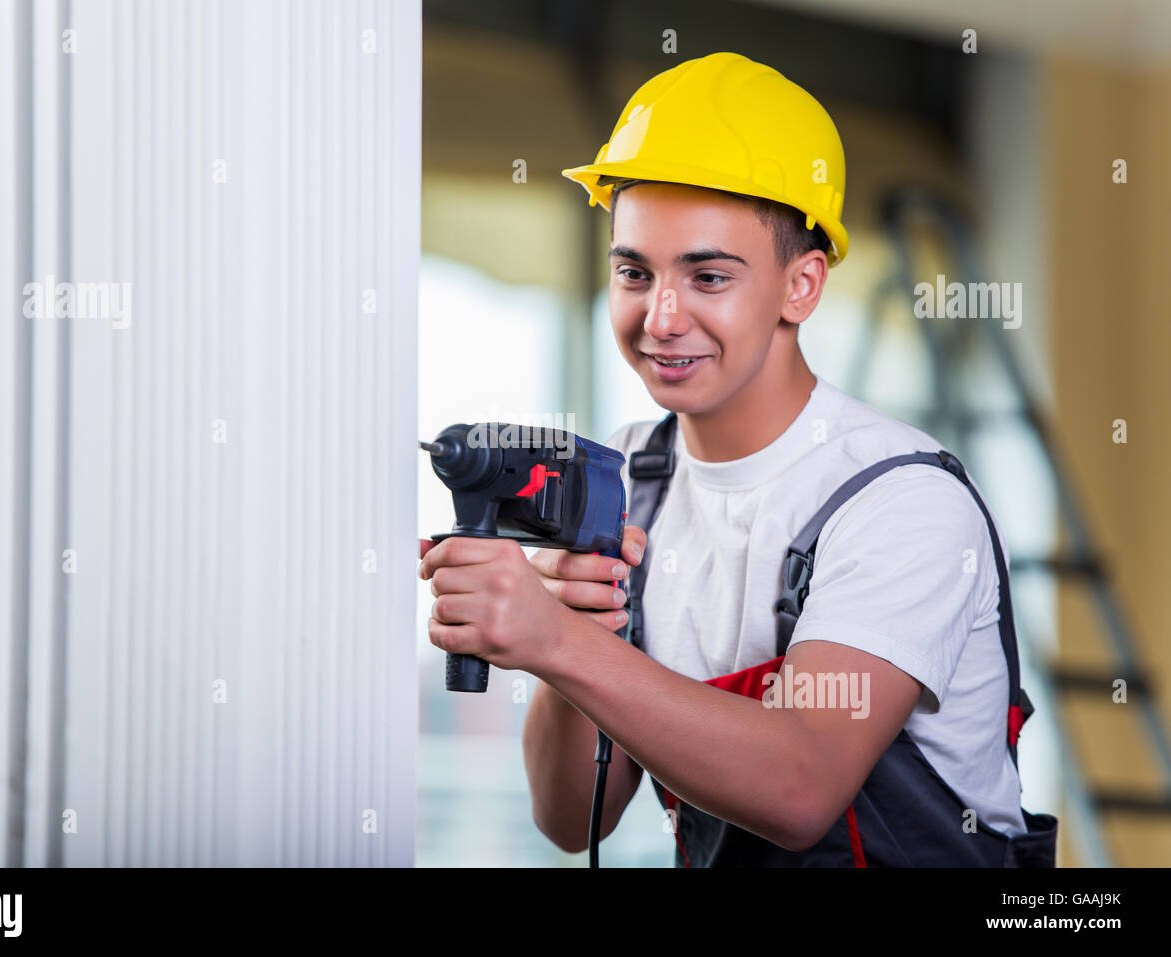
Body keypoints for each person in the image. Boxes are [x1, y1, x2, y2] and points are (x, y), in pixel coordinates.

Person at [417, 52, 1057, 866]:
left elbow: (800, 785)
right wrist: (574, 632)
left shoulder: (901, 499)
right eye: (634, 272)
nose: (662, 317)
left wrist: (555, 641)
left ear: (802, 286)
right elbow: (569, 811)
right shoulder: (627, 484)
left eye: (708, 275)